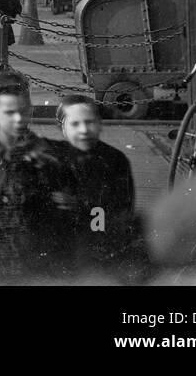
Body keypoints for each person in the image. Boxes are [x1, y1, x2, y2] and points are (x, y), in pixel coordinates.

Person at [0, 82, 76, 284]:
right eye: (10, 113)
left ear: (31, 110)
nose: (18, 119)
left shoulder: (44, 150)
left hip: (34, 250)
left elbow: (66, 193)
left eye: (23, 112)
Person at [52, 94, 144, 282]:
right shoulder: (51, 161)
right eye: (75, 124)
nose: (84, 130)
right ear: (62, 128)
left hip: (99, 249)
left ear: (100, 123)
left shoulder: (114, 161)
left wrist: (79, 205)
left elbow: (119, 210)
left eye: (90, 122)